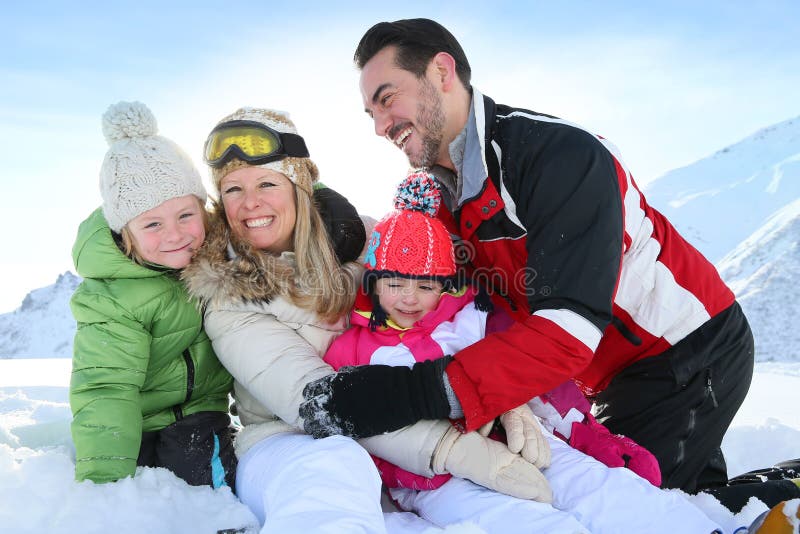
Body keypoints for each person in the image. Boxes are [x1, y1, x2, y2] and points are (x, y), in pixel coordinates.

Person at [300, 17, 800, 510]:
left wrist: (406, 394)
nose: (380, 127)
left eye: (387, 99)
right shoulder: (441, 197)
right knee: (688, 501)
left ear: (442, 71)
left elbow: (567, 328)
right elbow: (405, 263)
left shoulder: (559, 156)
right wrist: (317, 222)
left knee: (637, 506)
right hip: (606, 370)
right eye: (371, 113)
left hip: (683, 351)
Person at [181, 107, 552, 533]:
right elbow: (317, 402)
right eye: (233, 189)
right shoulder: (228, 297)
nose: (250, 203)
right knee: (334, 472)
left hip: (414, 421)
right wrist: (451, 448)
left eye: (267, 183)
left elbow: (454, 304)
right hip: (290, 438)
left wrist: (498, 391)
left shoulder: (369, 241)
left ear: (299, 188)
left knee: (518, 508)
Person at [323, 170, 721, 534]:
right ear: (373, 281)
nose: (409, 298)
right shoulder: (351, 350)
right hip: (435, 478)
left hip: (523, 440)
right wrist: (404, 474)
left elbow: (540, 383)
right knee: (519, 522)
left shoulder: (473, 318)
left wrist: (584, 432)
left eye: (425, 286)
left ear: (444, 285)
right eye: (395, 284)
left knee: (600, 487)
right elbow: (355, 428)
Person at [69, 101, 235, 488]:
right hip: (136, 420)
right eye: (153, 224)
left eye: (185, 216)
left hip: (201, 415)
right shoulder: (112, 297)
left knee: (202, 484)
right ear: (125, 232)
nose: (174, 235)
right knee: (135, 480)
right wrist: (104, 485)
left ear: (204, 211)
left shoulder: (221, 253)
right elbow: (106, 387)